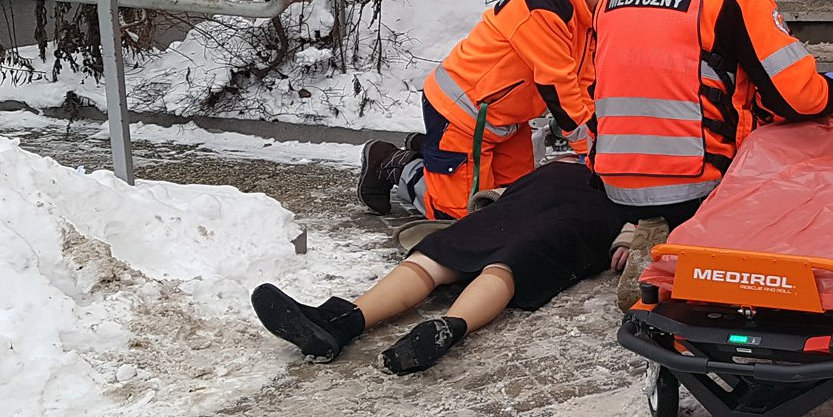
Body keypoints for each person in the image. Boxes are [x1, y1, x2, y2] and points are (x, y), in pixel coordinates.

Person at [587, 0, 833, 306]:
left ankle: (659, 235)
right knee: (792, 145)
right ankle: (691, 263)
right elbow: (796, 97)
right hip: (696, 177)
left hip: (615, 175)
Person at [252, 159, 635, 375]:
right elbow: (512, 188)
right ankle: (341, 321)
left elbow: (660, 215)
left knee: (515, 259)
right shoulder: (569, 158)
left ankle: (448, 329)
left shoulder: (648, 177)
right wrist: (493, 200)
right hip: (519, 208)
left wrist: (629, 237)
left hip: (583, 219)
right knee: (438, 251)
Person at [356, 0, 639, 221]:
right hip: (465, 113)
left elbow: (585, 83)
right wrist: (594, 153)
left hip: (506, 120)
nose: (613, 9)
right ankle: (393, 162)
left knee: (513, 208)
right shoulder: (545, 9)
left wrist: (599, 139)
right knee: (460, 218)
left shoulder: (582, 12)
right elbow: (560, 89)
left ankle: (432, 153)